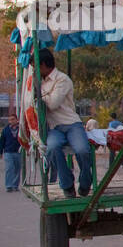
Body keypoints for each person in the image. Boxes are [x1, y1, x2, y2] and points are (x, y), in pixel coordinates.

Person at [38, 47, 92, 198]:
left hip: (71, 124)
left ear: (43, 65)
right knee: (52, 148)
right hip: (54, 127)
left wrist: (40, 97)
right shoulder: (39, 82)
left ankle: (86, 182)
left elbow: (53, 103)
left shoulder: (62, 79)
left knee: (82, 150)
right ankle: (67, 184)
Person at [0, 113, 22, 192]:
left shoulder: (21, 129)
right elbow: (2, 141)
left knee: (17, 169)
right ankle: (9, 185)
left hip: (18, 152)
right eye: (10, 120)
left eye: (13, 119)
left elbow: (26, 138)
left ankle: (15, 185)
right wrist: (0, 152)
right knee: (9, 168)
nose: (11, 121)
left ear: (17, 120)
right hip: (8, 152)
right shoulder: (6, 130)